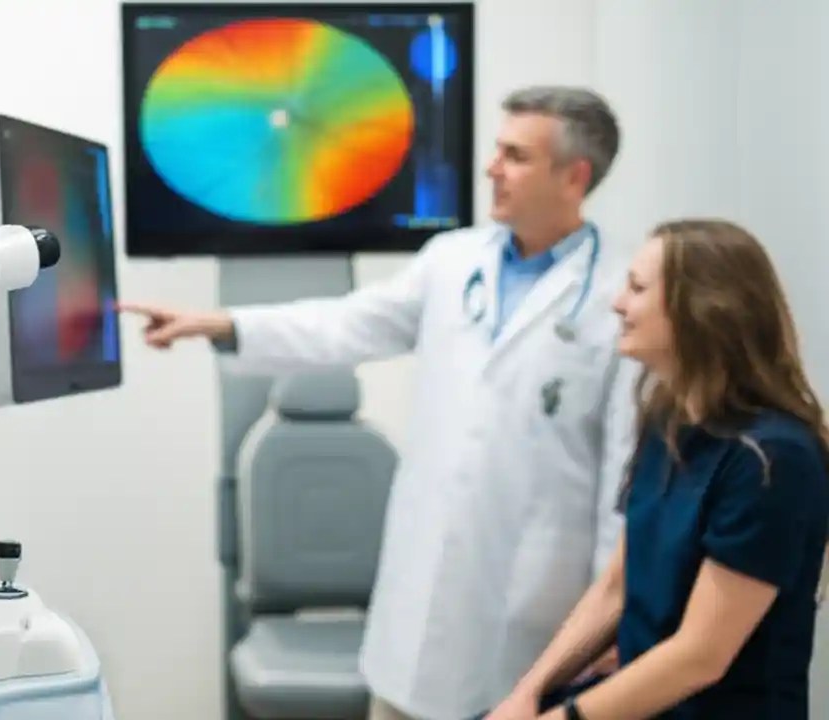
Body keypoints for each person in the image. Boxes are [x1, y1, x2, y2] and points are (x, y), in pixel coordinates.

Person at [121, 86, 638, 719]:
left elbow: (624, 478)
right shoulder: (452, 260)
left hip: (533, 610)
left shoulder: (620, 297)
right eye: (497, 150)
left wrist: (608, 621)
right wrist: (223, 324)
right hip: (418, 614)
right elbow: (346, 324)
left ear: (574, 176)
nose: (491, 167)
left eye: (515, 155)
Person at [485, 219, 829, 719]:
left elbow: (699, 657)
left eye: (638, 288)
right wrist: (528, 694)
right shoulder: (669, 421)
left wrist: (563, 718)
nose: (617, 303)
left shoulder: (771, 460)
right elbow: (617, 587)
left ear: (703, 309)